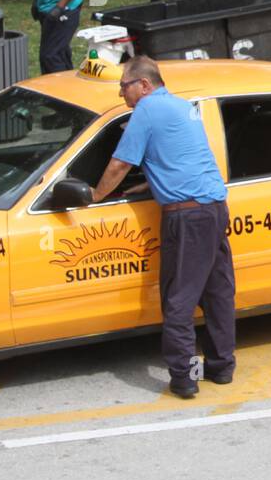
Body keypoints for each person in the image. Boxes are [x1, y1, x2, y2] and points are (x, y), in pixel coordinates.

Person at [91, 56, 236, 398]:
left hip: (186, 217)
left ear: (144, 84)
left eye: (124, 86)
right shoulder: (180, 106)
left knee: (178, 299)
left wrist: (95, 196)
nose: (121, 94)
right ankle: (221, 366)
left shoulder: (146, 110)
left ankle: (184, 379)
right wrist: (152, 182)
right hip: (214, 208)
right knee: (217, 292)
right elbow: (182, 156)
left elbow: (119, 165)